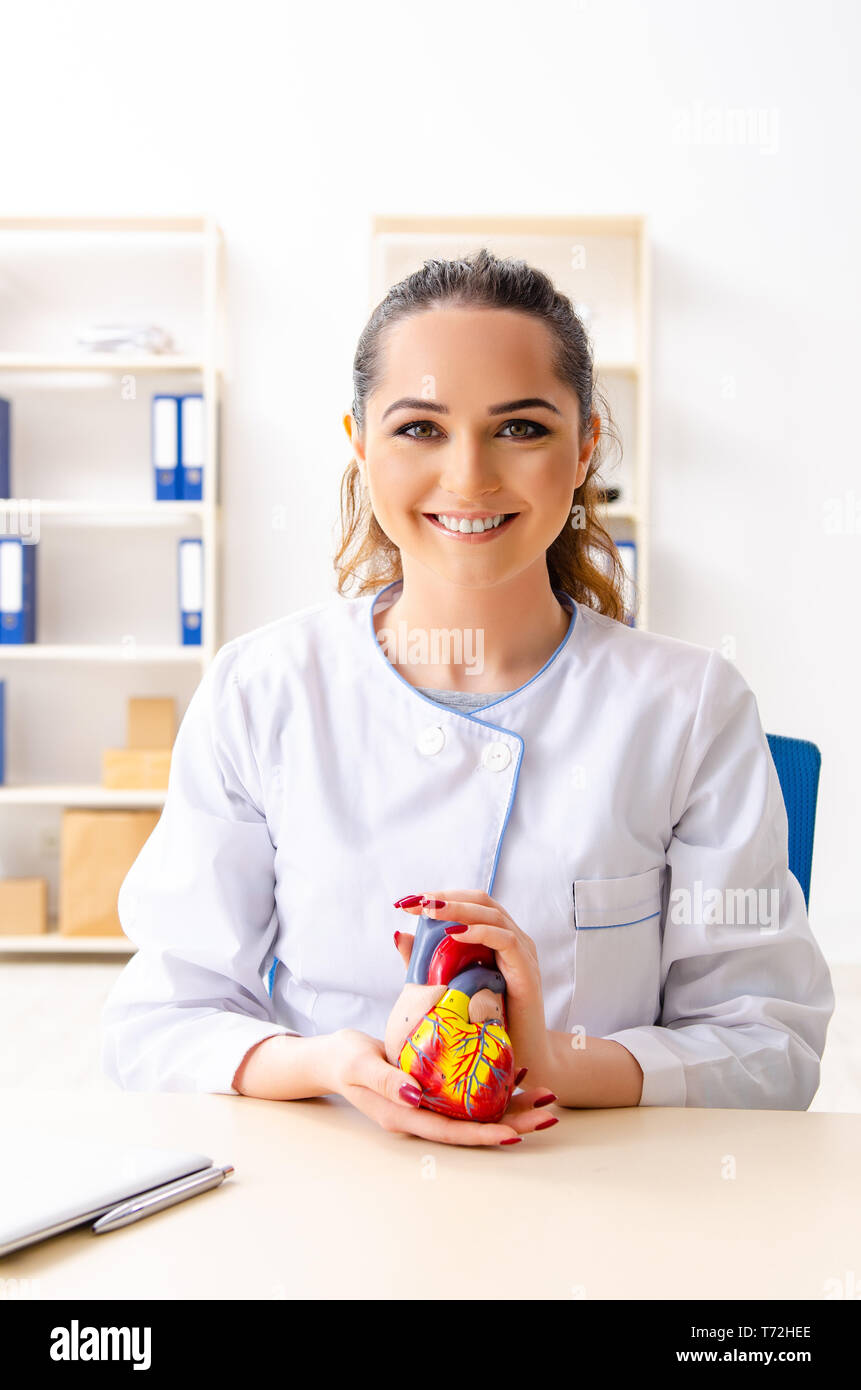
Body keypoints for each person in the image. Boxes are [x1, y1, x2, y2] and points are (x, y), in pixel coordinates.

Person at [101, 248, 834, 1146]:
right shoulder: (260, 693)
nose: (470, 476)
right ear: (360, 445)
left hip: (602, 1190)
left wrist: (560, 1062)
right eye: (419, 428)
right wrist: (335, 1063)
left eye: (520, 428)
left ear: (585, 450)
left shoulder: (689, 706)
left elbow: (769, 1043)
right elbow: (159, 1021)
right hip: (326, 1182)